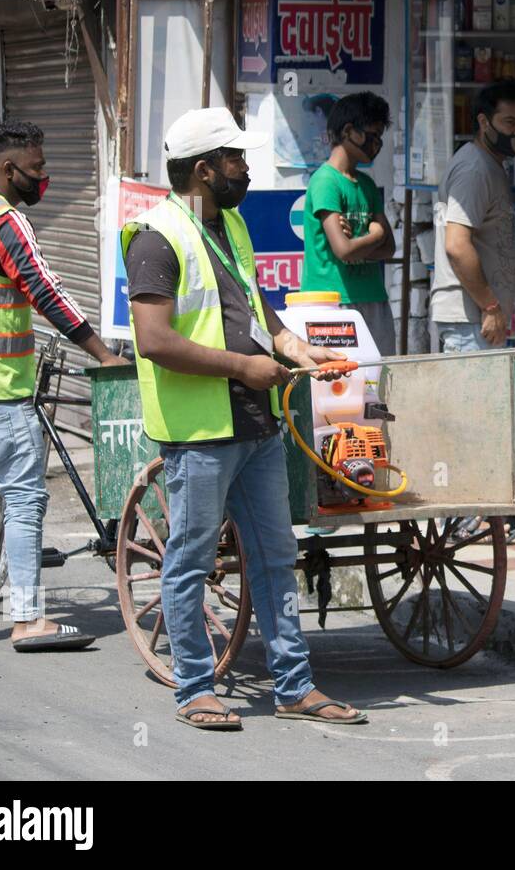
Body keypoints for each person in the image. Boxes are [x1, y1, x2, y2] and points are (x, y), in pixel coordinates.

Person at [122, 107, 366, 730]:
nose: (247, 169)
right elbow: (153, 341)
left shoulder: (230, 224)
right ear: (204, 170)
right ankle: (195, 689)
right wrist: (242, 368)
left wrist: (295, 349)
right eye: (236, 160)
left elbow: (258, 312)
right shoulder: (155, 237)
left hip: (254, 425)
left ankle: (295, 686)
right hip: (199, 434)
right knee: (191, 560)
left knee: (275, 558)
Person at [0, 121, 127, 650]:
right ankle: (26, 618)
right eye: (38, 168)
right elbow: (45, 287)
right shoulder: (3, 220)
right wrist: (100, 352)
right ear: (9, 169)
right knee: (24, 497)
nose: (43, 178)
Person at [430, 78, 515, 352]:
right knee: (474, 396)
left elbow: (479, 239)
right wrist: (490, 306)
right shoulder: (475, 170)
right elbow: (457, 246)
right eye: (509, 122)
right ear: (484, 123)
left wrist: (512, 263)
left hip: (476, 317)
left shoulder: (489, 165)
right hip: (472, 318)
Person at [301, 91, 397, 355]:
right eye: (372, 135)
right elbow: (343, 250)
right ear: (348, 131)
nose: (376, 144)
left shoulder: (365, 185)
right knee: (339, 386)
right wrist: (374, 234)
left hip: (373, 297)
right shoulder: (325, 182)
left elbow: (390, 249)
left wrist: (360, 242)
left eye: (380, 138)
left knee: (378, 382)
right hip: (332, 302)